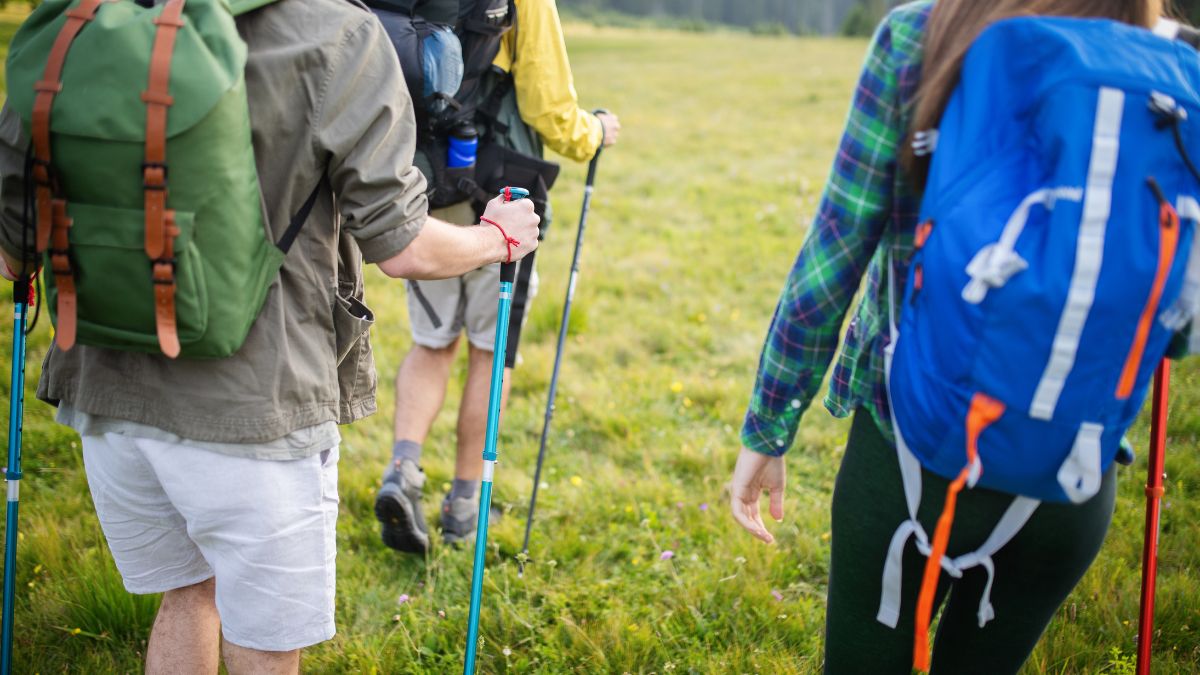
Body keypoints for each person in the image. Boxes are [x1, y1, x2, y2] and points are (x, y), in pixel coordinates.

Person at [0, 0, 539, 672]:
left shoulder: (79, 24)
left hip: (107, 396)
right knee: (264, 648)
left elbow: (14, 248)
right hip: (255, 410)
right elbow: (400, 246)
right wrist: (495, 238)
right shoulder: (335, 31)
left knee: (187, 594)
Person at [729, 1, 1162, 672]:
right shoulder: (1163, 56)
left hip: (908, 458)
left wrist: (769, 424)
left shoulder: (920, 34)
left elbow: (836, 252)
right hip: (1070, 472)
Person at [371, 0, 620, 553]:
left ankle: (403, 469)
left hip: (427, 185)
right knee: (489, 349)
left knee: (431, 343)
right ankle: (463, 506)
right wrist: (596, 133)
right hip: (503, 190)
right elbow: (549, 106)